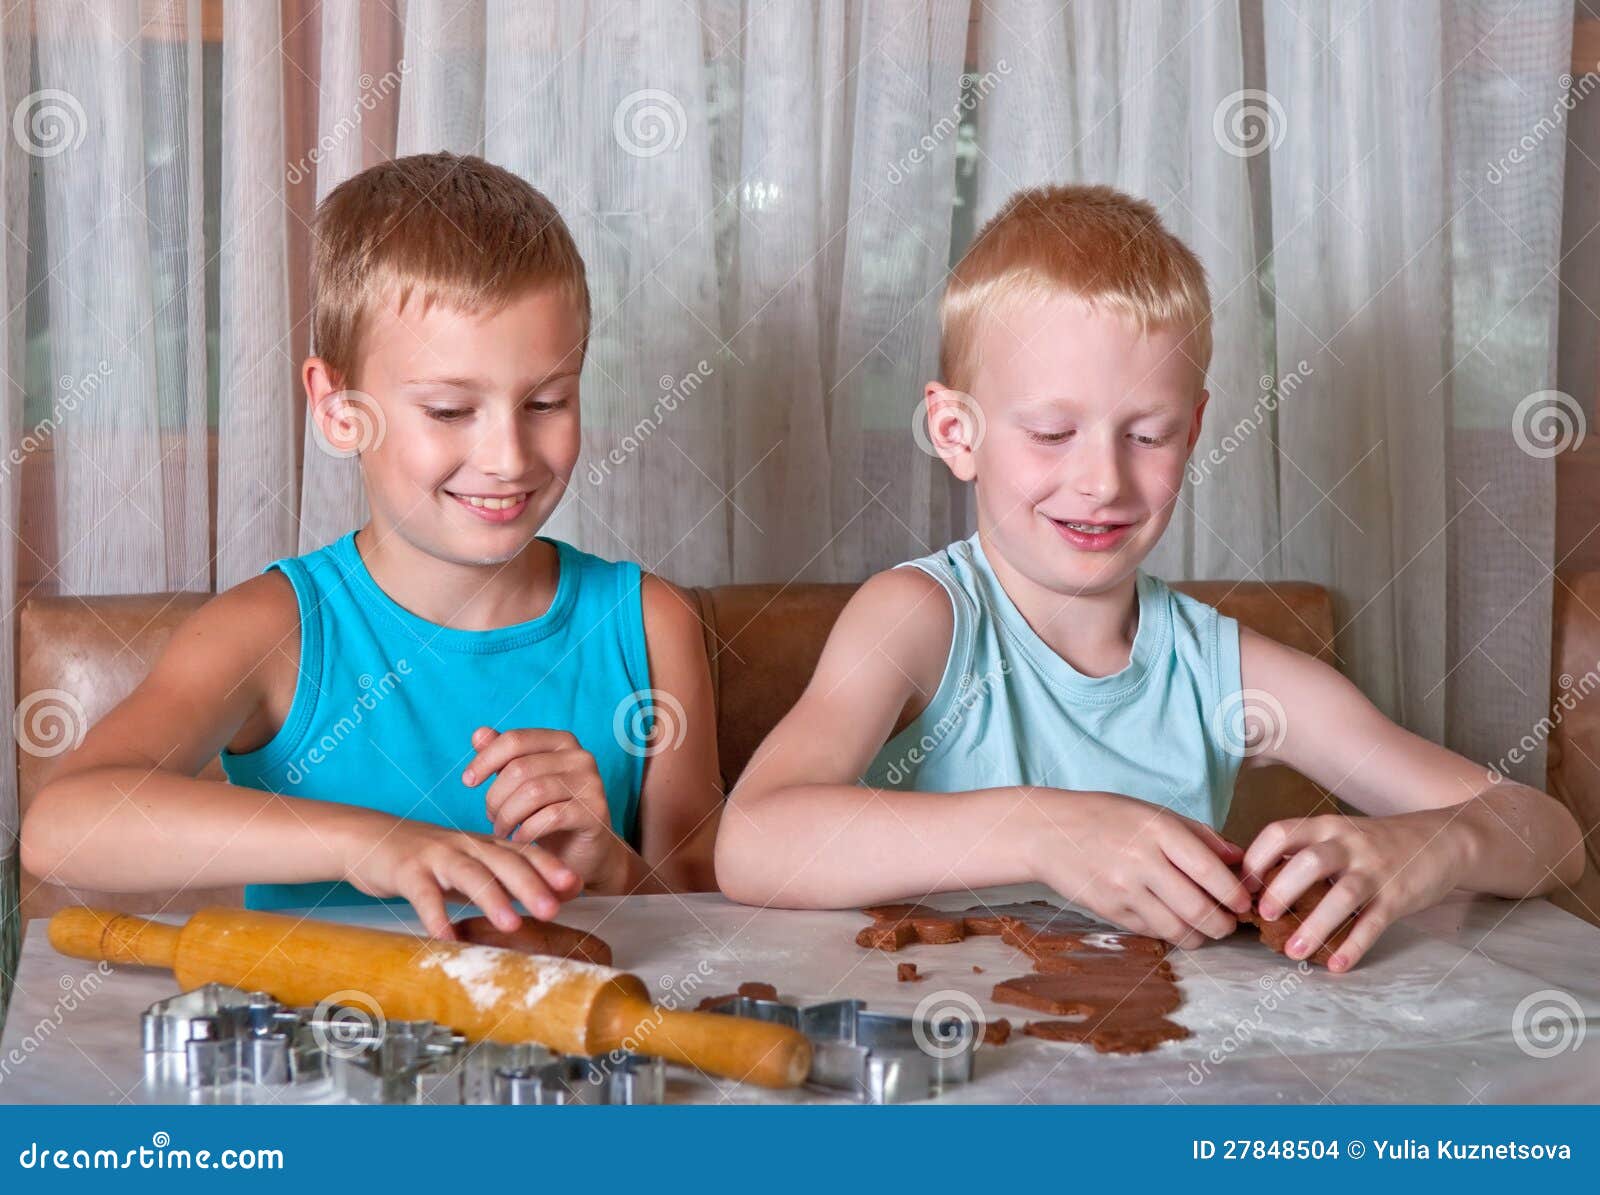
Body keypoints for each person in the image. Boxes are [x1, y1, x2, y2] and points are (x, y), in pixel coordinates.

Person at [714, 183, 1583, 971]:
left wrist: (1430, 849)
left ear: (1196, 429)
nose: (1103, 481)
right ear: (956, 431)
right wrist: (1045, 827)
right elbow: (752, 841)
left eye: (1148, 434)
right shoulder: (919, 621)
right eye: (1054, 432)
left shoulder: (1223, 671)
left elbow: (1552, 837)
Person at [23, 153, 722, 938]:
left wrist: (613, 869)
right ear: (338, 408)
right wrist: (372, 843)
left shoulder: (650, 623)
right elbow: (63, 822)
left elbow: (707, 912)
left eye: (547, 400)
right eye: (452, 409)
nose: (509, 456)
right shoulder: (273, 632)